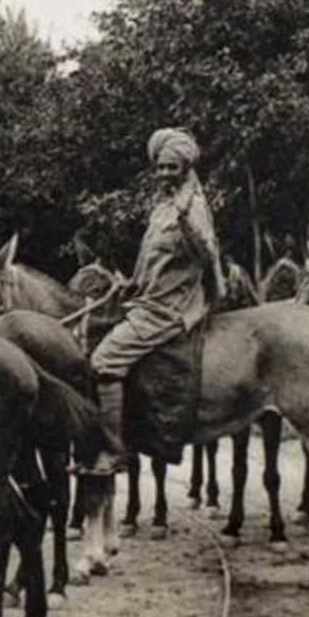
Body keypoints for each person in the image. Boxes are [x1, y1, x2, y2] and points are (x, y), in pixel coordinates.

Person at [78, 127, 225, 475]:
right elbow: (152, 260)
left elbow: (208, 255)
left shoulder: (192, 208)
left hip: (168, 307)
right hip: (146, 298)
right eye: (160, 167)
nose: (164, 174)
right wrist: (129, 283)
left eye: (171, 167)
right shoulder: (162, 207)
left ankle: (116, 452)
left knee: (103, 362)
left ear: (186, 168)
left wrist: (189, 223)